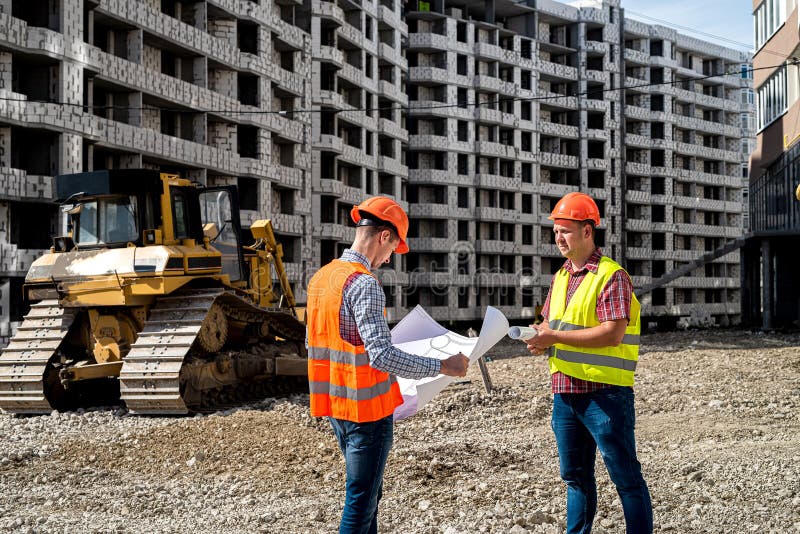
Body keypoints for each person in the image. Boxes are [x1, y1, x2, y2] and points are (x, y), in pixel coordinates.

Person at [306, 196, 469, 534]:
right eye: (393, 248)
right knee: (361, 501)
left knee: (367, 495)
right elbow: (381, 356)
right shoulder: (364, 283)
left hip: (336, 406)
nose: (390, 257)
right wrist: (444, 365)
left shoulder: (321, 278)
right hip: (367, 413)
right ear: (384, 236)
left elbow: (316, 343)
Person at [527, 192, 653, 534]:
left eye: (565, 231)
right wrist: (538, 336)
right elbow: (549, 324)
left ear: (587, 231)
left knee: (626, 478)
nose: (558, 238)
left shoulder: (612, 276)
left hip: (605, 394)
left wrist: (553, 337)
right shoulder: (560, 277)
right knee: (575, 478)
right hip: (565, 393)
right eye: (555, 231)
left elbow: (612, 333)